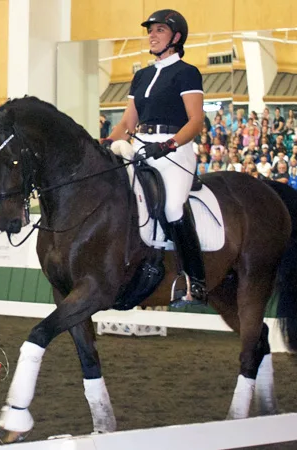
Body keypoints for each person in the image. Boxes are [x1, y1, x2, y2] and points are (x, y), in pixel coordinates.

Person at [105, 9, 207, 305]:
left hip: (174, 149)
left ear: (175, 37)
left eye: (159, 30)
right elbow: (127, 122)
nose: (152, 34)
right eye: (150, 30)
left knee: (173, 207)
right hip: (139, 144)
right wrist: (108, 142)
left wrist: (168, 145)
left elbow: (195, 121)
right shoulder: (142, 75)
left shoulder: (187, 72)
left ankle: (195, 278)